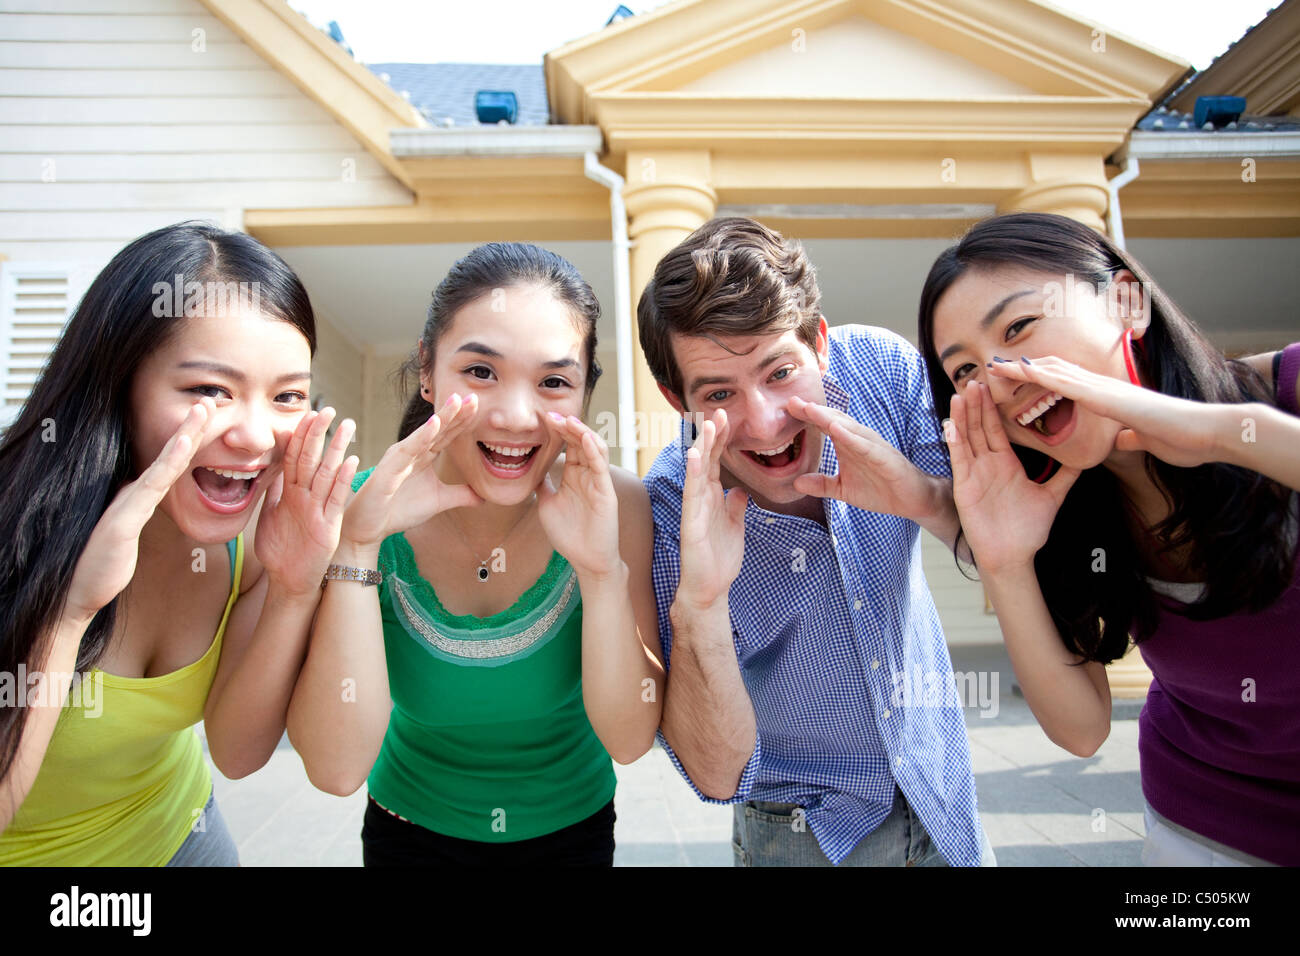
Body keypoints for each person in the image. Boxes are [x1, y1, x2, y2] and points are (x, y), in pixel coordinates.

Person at [918, 211, 1300, 866]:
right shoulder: (1066, 512)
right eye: (966, 372)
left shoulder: (1285, 388)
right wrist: (1007, 563)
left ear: (1126, 302)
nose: (1003, 380)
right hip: (1206, 831)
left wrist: (1214, 432)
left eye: (1018, 328)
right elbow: (1083, 730)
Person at [287, 242, 662, 866]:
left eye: (554, 382)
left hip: (574, 832)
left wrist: (599, 573)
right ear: (428, 372)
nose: (516, 416)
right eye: (481, 372)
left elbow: (628, 739)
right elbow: (335, 769)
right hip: (409, 829)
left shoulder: (613, 505)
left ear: (585, 394)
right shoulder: (355, 509)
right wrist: (358, 546)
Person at [637, 216, 994, 867]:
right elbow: (715, 776)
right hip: (801, 834)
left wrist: (921, 496)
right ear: (676, 399)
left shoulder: (881, 374)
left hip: (944, 797)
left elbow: (997, 548)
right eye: (719, 393)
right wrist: (702, 604)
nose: (766, 421)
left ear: (820, 343)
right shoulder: (667, 511)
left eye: (780, 372)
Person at [0, 222, 357, 866]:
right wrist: (71, 609)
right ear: (119, 388)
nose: (254, 435)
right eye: (210, 390)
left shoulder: (253, 544)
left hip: (181, 839)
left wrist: (293, 587)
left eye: (287, 396)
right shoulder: (10, 523)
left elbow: (237, 753)